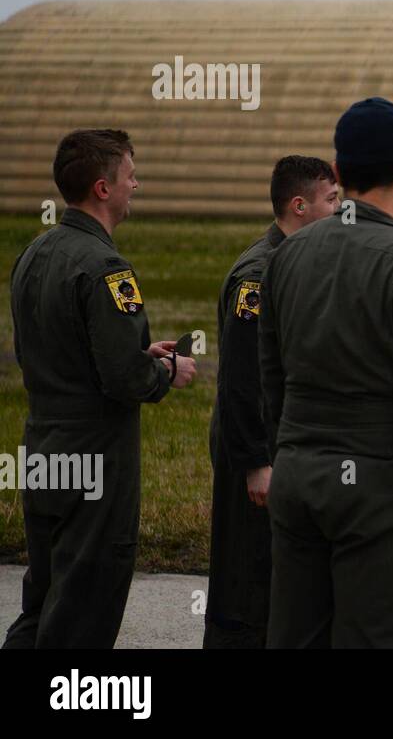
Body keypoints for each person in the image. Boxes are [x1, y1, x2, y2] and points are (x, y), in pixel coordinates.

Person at [259, 98, 393, 648]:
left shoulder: (286, 255)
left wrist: (281, 453)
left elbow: (269, 373)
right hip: (374, 486)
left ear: (337, 172)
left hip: (297, 474)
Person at [3, 130, 197, 649]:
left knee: (42, 602)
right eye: (129, 173)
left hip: (44, 448)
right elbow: (122, 379)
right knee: (84, 609)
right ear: (102, 188)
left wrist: (134, 352)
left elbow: (42, 348)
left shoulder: (34, 254)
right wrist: (165, 373)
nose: (137, 183)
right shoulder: (108, 268)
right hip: (96, 459)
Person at [203, 155, 338, 649]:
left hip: (277, 448)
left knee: (276, 577)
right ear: (299, 206)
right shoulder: (259, 275)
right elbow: (240, 379)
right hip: (254, 453)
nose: (340, 209)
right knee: (245, 582)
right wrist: (257, 461)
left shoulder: (291, 263)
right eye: (332, 200)